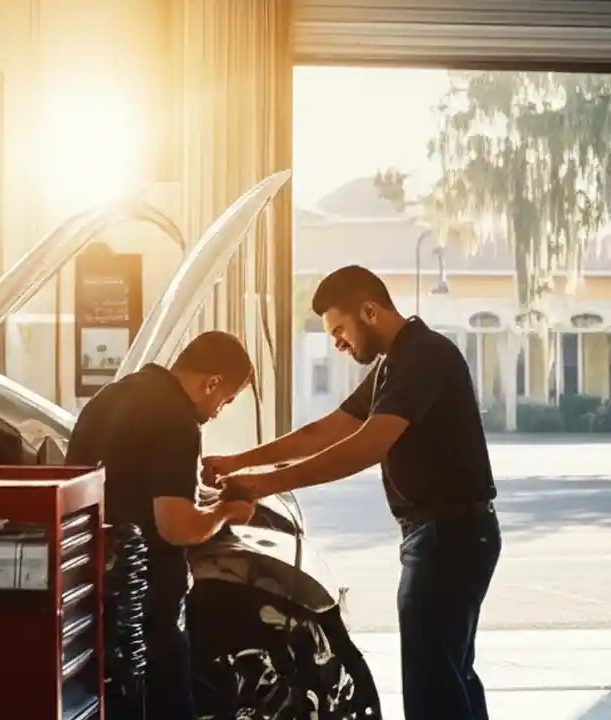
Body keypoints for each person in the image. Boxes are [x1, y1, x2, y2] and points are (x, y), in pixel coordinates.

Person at [206, 265, 502, 720]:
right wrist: (239, 462)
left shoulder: (423, 356)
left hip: (450, 534)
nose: (338, 343)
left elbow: (366, 446)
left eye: (339, 330)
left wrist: (263, 484)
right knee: (449, 674)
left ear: (369, 311)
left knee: (433, 683)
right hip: (442, 534)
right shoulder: (395, 363)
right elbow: (328, 430)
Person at [67, 330, 257, 720]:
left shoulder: (111, 398)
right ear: (213, 383)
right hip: (147, 604)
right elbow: (176, 526)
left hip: (90, 596)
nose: (220, 409)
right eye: (227, 400)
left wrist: (201, 496)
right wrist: (227, 511)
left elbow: (126, 486)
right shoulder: (177, 420)